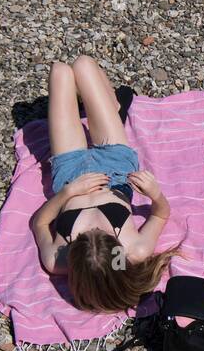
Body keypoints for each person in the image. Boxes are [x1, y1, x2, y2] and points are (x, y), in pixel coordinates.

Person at [29, 56, 175, 312]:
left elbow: (39, 222)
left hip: (69, 172)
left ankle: (94, 105)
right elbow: (161, 215)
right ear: (117, 254)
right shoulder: (135, 250)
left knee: (60, 71)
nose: (94, 228)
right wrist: (155, 194)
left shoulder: (56, 261)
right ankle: (112, 105)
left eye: (84, 237)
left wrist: (68, 193)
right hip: (116, 168)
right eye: (103, 235)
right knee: (83, 64)